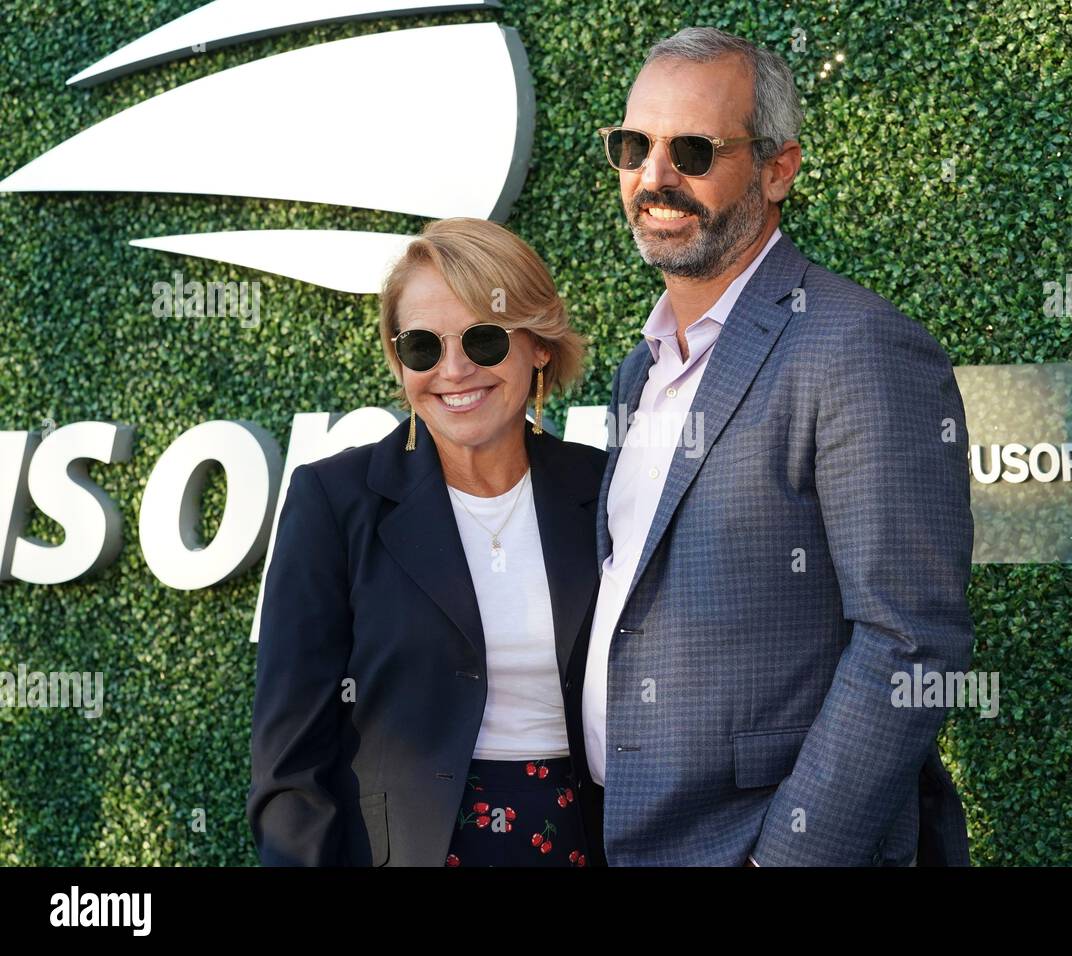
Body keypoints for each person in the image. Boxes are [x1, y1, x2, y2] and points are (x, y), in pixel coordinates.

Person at [583, 27, 976, 866]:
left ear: (777, 169)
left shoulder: (856, 348)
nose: (655, 178)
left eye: (692, 150)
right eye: (633, 146)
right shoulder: (636, 373)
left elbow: (912, 644)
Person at [247, 218, 607, 866]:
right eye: (422, 347)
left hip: (582, 847)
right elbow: (290, 765)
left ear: (540, 345)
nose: (454, 370)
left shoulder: (606, 491)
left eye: (484, 338)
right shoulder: (334, 502)